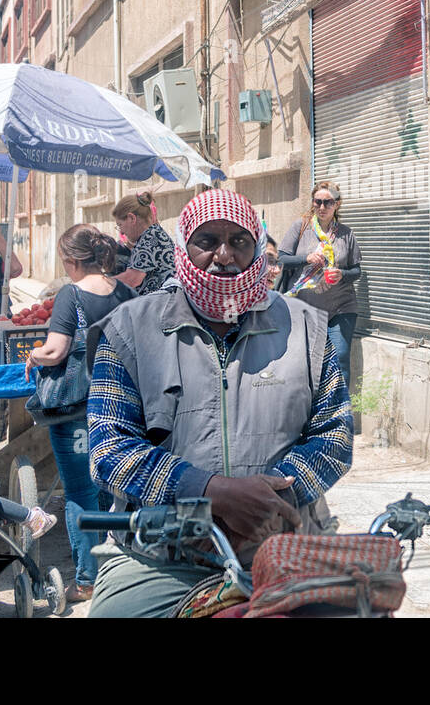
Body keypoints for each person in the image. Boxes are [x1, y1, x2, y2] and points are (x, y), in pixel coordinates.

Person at [84, 189, 353, 618]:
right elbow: (110, 451)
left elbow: (334, 438)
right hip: (161, 558)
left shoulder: (306, 327)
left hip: (286, 545)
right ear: (184, 247)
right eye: (207, 242)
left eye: (239, 242)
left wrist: (268, 505)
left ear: (256, 250)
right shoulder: (129, 330)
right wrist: (212, 493)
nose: (223, 256)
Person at [24, 224, 135, 604]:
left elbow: (55, 351)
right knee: (113, 487)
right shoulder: (125, 291)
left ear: (72, 261)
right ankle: (119, 569)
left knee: (79, 492)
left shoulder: (70, 295)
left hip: (77, 411)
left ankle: (87, 580)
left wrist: (32, 356)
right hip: (120, 406)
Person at [279, 181, 364, 393]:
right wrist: (306, 258)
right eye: (318, 202)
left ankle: (340, 417)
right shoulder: (301, 227)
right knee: (307, 363)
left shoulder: (346, 234)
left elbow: (356, 271)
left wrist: (341, 274)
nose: (322, 207)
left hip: (341, 308)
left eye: (328, 202)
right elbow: (281, 259)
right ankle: (309, 414)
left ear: (337, 205)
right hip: (306, 309)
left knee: (340, 360)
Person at [112, 190, 175, 295]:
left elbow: (132, 279)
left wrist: (101, 282)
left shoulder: (151, 237)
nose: (121, 231)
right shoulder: (151, 234)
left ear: (132, 218)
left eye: (120, 225)